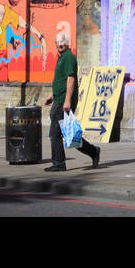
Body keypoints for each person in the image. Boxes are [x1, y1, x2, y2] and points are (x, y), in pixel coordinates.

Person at [43, 32, 100, 172]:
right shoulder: (62, 57)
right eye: (58, 42)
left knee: (54, 133)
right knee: (71, 135)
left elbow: (71, 79)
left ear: (67, 43)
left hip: (63, 102)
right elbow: (62, 81)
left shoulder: (68, 57)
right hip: (59, 99)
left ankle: (59, 163)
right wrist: (52, 95)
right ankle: (93, 151)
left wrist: (67, 101)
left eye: (63, 42)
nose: (60, 44)